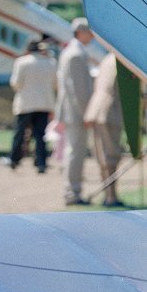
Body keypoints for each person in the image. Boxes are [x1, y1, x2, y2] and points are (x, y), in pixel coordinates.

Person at [54, 17, 95, 206]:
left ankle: (72, 191)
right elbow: (79, 90)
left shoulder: (71, 52)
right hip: (76, 112)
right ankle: (72, 193)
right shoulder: (76, 54)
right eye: (89, 31)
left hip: (72, 111)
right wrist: (87, 113)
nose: (92, 35)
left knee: (74, 151)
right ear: (81, 32)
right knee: (75, 152)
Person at [8, 39, 57, 173]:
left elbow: (16, 83)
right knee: (40, 135)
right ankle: (41, 163)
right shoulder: (51, 63)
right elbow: (55, 84)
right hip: (44, 104)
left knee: (20, 133)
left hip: (25, 103)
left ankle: (14, 159)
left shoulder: (21, 62)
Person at [83, 51, 125, 207]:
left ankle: (109, 195)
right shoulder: (120, 60)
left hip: (97, 108)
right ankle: (111, 197)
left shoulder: (107, 58)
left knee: (103, 157)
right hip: (110, 110)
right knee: (111, 157)